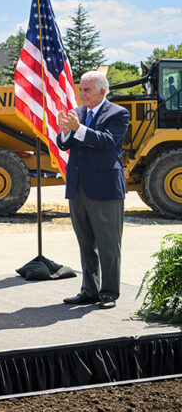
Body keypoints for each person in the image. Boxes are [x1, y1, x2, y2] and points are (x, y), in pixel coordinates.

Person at [56, 71, 130, 310]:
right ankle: (89, 290)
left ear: (102, 91)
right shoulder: (77, 113)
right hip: (78, 186)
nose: (81, 94)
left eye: (87, 90)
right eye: (80, 90)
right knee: (85, 242)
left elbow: (107, 141)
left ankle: (109, 293)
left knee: (108, 244)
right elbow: (65, 144)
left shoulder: (118, 114)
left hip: (105, 188)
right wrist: (65, 131)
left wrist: (77, 129)